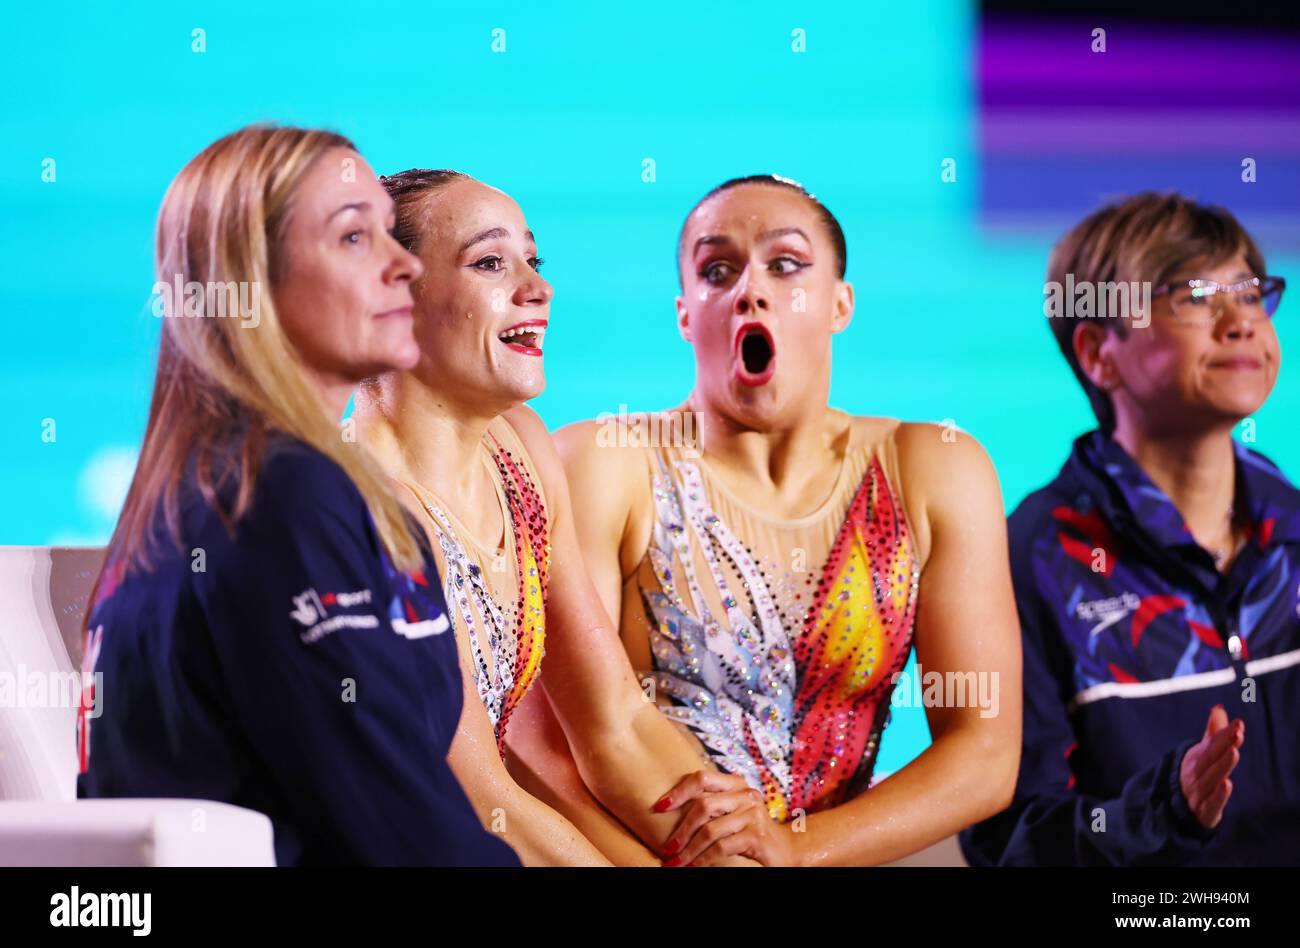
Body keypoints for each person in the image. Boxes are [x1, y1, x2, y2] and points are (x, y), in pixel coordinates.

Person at [77, 125, 519, 866]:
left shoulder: (239, 483)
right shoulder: (280, 496)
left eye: (390, 232)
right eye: (354, 239)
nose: (403, 265)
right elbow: (402, 836)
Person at [557, 174, 1022, 866]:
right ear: (686, 314)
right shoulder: (604, 463)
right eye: (717, 271)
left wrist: (796, 850)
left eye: (786, 265)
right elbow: (562, 747)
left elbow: (984, 755)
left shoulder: (933, 468)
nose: (750, 289)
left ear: (840, 304)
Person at [353, 170, 752, 866]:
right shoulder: (357, 506)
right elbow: (476, 797)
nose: (539, 290)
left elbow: (616, 724)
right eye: (489, 263)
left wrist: (731, 849)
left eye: (534, 262)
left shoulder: (522, 446)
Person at [960, 192, 1299, 866]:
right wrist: (1162, 807)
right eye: (1196, 295)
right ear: (1099, 353)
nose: (1240, 322)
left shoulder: (1293, 525)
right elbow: (1010, 844)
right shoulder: (1031, 560)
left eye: (1251, 292)